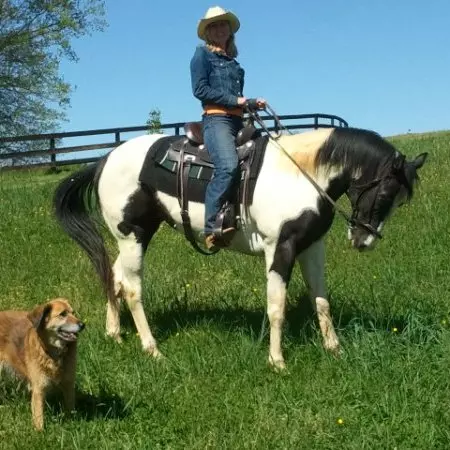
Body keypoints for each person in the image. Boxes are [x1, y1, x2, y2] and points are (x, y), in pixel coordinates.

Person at [190, 6, 265, 250]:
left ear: (230, 31)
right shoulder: (202, 55)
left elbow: (238, 98)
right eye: (214, 26)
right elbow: (200, 90)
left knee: (263, 156)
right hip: (216, 120)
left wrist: (251, 103)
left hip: (237, 119)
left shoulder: (234, 64)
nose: (220, 29)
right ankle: (211, 228)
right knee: (228, 166)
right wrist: (237, 101)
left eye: (224, 25)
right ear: (208, 33)